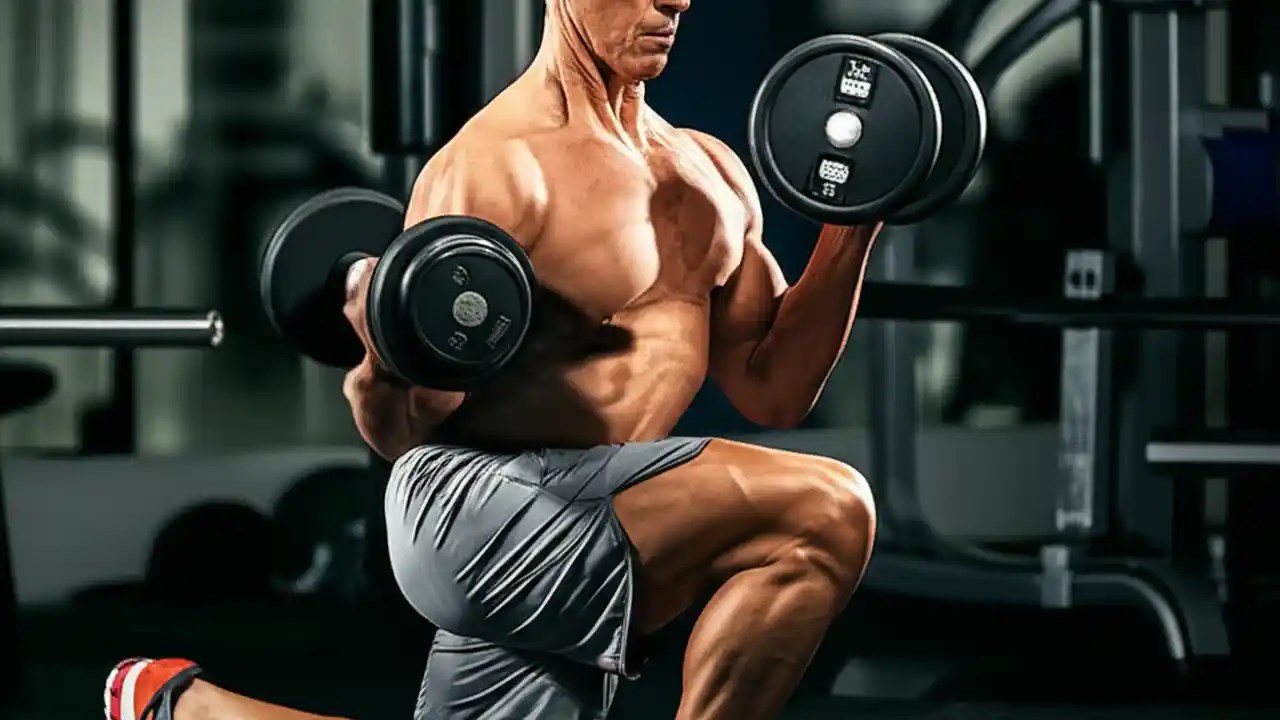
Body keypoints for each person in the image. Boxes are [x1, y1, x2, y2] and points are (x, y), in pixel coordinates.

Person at [105, 1, 880, 718]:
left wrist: (855, 221)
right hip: (477, 503)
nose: (673, 0)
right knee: (827, 509)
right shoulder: (496, 167)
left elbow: (774, 389)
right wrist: (380, 359)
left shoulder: (710, 169)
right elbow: (407, 432)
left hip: (589, 504)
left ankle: (184, 706)